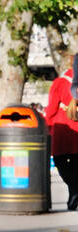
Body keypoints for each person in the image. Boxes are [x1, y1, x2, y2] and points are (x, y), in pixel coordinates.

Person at [44, 64, 78, 210]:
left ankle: (74, 192)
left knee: (60, 161)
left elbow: (51, 108)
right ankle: (74, 194)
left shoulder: (59, 82)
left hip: (63, 127)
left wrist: (46, 124)